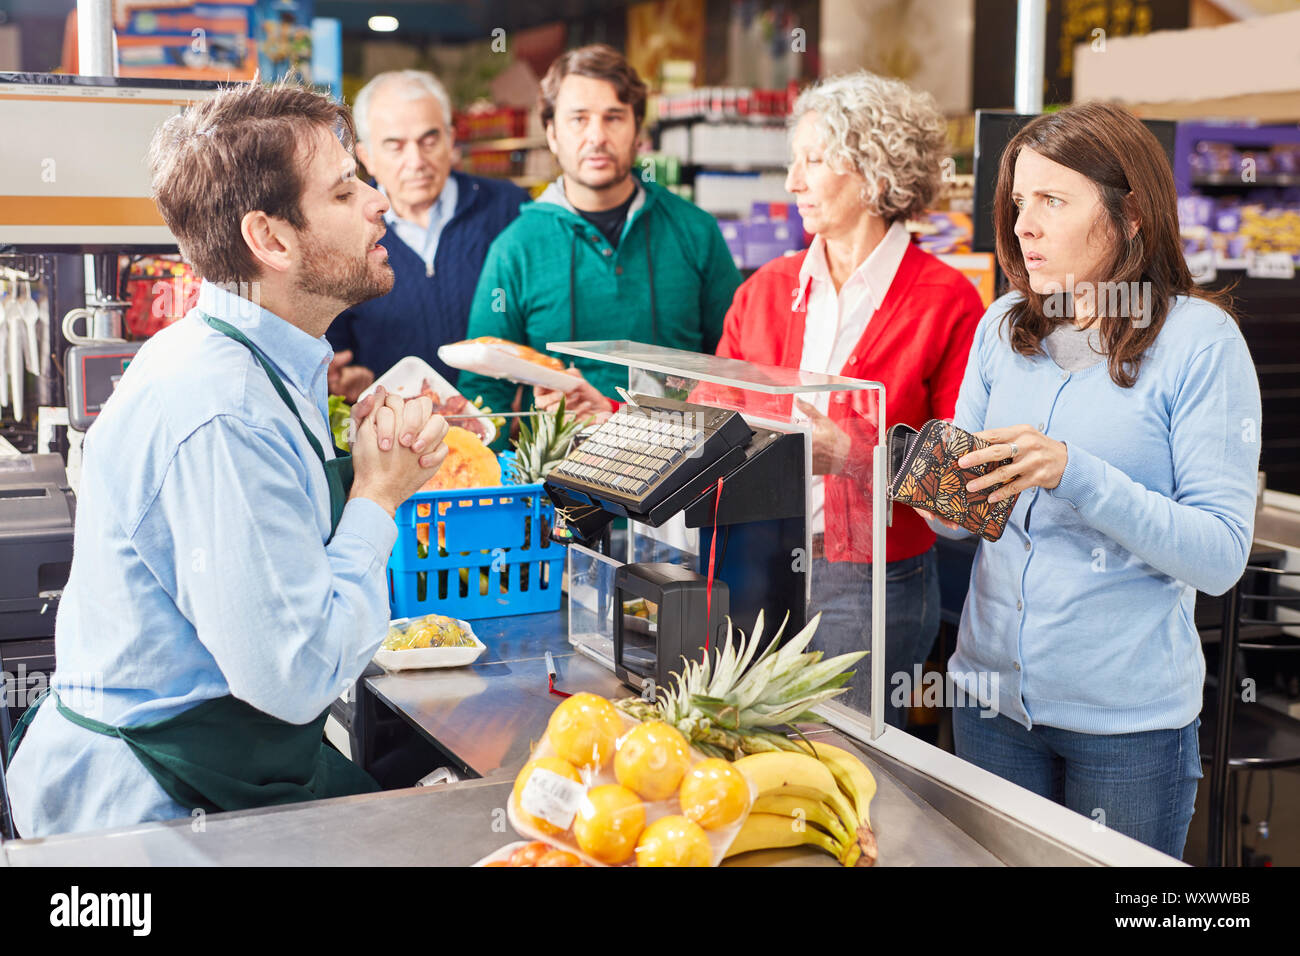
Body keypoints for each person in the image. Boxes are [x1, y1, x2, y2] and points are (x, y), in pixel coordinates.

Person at [6, 81, 450, 837]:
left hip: (213, 771)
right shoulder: (222, 410)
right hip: (149, 811)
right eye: (346, 191)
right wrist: (377, 497)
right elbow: (297, 673)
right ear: (272, 240)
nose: (380, 202)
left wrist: (356, 456)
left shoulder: (259, 358)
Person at [926, 102, 1261, 859]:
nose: (1023, 227)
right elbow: (956, 524)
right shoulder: (1005, 324)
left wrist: (1075, 473)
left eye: (1052, 200)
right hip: (989, 703)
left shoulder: (1199, 342)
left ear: (1131, 212)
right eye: (1018, 204)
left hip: (1127, 727)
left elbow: (1218, 556)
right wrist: (922, 480)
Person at [713, 72, 985, 730]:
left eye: (813, 161)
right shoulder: (767, 289)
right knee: (744, 755)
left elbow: (966, 490)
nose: (792, 182)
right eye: (793, 161)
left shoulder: (946, 301)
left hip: (869, 583)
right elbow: (709, 408)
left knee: (843, 766)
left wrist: (854, 457)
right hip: (755, 558)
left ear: (873, 172)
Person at [456, 44, 742, 435]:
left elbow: (735, 367)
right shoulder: (515, 248)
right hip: (556, 483)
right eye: (578, 119)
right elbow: (484, 389)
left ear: (637, 130)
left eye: (613, 118)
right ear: (552, 134)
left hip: (684, 474)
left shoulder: (696, 232)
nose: (597, 136)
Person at [325, 70, 530, 399]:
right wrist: (338, 381)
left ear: (451, 141)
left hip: (501, 428)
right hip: (392, 435)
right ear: (366, 158)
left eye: (429, 140)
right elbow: (331, 347)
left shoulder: (509, 209)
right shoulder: (341, 232)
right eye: (395, 146)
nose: (416, 161)